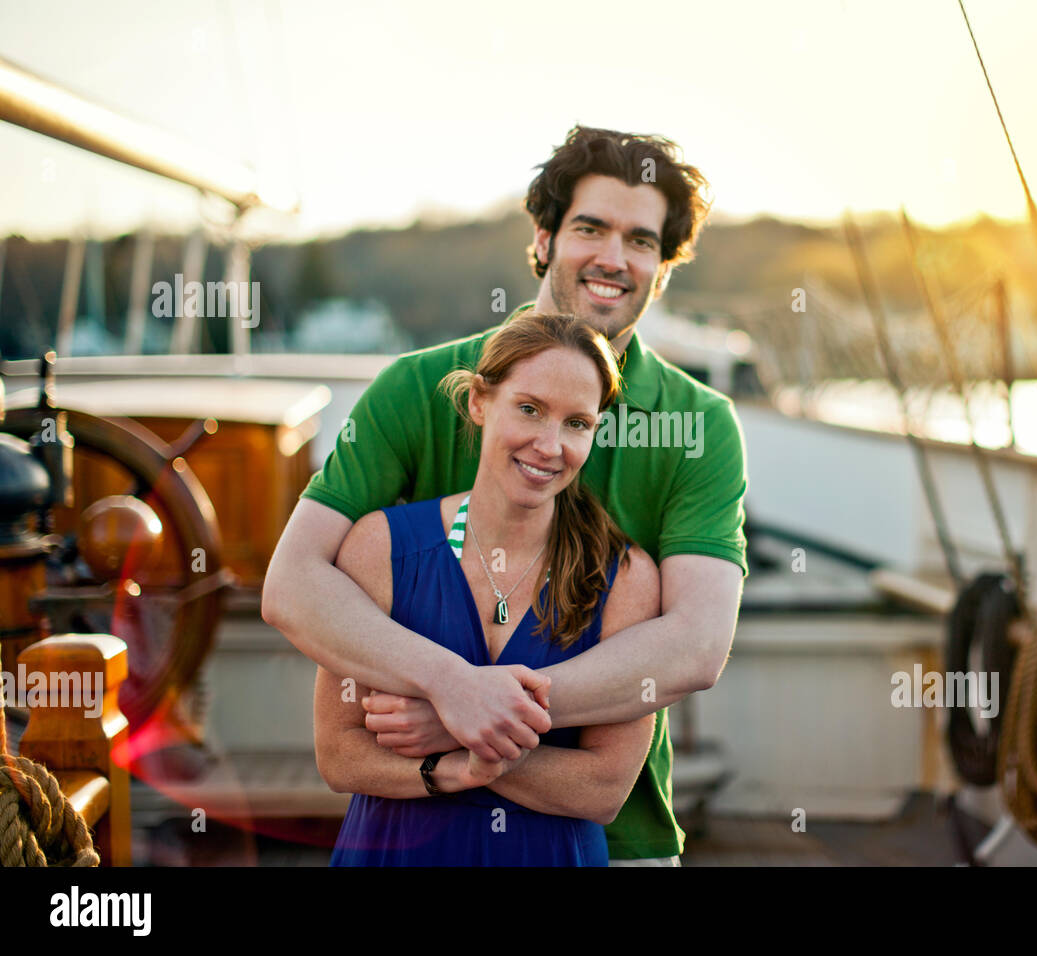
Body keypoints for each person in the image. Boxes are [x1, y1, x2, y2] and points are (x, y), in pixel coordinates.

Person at [264, 125, 748, 865]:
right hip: (415, 824)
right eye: (590, 227)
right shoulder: (415, 388)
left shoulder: (702, 426)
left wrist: (478, 716)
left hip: (615, 837)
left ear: (664, 263)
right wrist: (450, 686)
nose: (614, 259)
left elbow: (695, 645)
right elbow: (294, 584)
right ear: (545, 236)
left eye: (642, 240)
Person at [318, 311, 658, 865]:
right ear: (479, 401)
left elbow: (603, 789)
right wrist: (458, 766)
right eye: (530, 409)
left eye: (577, 423)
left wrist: (454, 724)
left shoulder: (625, 577)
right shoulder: (378, 547)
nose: (551, 446)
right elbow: (339, 755)